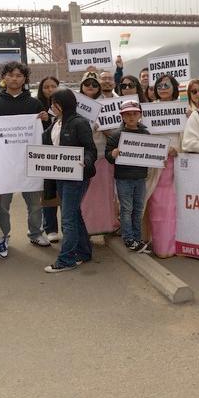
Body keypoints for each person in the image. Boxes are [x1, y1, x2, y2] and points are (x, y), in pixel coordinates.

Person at [0, 61, 50, 247]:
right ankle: (4, 235)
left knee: (34, 203)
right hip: (5, 163)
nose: (14, 79)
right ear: (4, 78)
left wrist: (46, 119)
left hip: (29, 161)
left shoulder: (35, 103)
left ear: (25, 79)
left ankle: (35, 232)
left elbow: (47, 132)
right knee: (2, 205)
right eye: (10, 75)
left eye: (19, 75)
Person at [43, 89, 98, 273]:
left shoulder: (79, 123)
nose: (51, 107)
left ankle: (66, 259)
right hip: (60, 176)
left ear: (61, 104)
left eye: (54, 103)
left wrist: (86, 161)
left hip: (76, 177)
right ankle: (84, 252)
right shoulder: (55, 123)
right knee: (74, 215)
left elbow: (90, 150)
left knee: (67, 219)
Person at [105, 101, 151, 252]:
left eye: (134, 113)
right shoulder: (116, 135)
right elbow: (108, 155)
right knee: (126, 209)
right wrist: (113, 154)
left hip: (140, 178)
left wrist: (158, 157)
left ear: (140, 115)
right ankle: (128, 238)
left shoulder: (145, 133)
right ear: (122, 116)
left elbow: (151, 153)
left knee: (138, 208)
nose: (131, 117)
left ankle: (137, 239)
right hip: (123, 178)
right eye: (127, 114)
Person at [143, 74, 181, 258]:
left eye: (167, 85)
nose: (163, 88)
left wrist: (178, 149)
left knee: (171, 205)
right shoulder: (149, 110)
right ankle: (155, 243)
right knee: (154, 203)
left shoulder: (182, 109)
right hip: (154, 163)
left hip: (174, 163)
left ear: (174, 87)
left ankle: (172, 246)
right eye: (159, 86)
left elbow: (187, 136)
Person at [79, 72, 119, 234]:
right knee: (85, 195)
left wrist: (104, 129)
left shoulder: (109, 105)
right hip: (82, 157)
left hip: (102, 155)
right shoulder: (75, 104)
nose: (90, 87)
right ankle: (85, 227)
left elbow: (116, 134)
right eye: (87, 83)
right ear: (81, 86)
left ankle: (106, 226)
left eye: (94, 84)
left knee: (104, 193)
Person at [37, 76, 61, 243]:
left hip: (63, 156)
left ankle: (67, 227)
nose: (50, 89)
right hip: (44, 155)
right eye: (46, 87)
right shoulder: (36, 106)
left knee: (65, 192)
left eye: (53, 86)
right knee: (48, 191)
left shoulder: (66, 105)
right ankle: (50, 228)